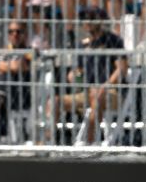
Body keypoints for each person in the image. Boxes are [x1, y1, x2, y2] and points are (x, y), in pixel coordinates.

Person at [53, 9, 128, 145]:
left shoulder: (113, 40)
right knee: (55, 101)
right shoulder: (83, 45)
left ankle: (89, 143)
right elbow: (78, 71)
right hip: (88, 92)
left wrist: (105, 86)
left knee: (97, 95)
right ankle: (47, 140)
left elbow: (121, 69)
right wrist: (74, 76)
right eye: (84, 19)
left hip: (112, 93)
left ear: (100, 21)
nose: (86, 22)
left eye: (91, 18)